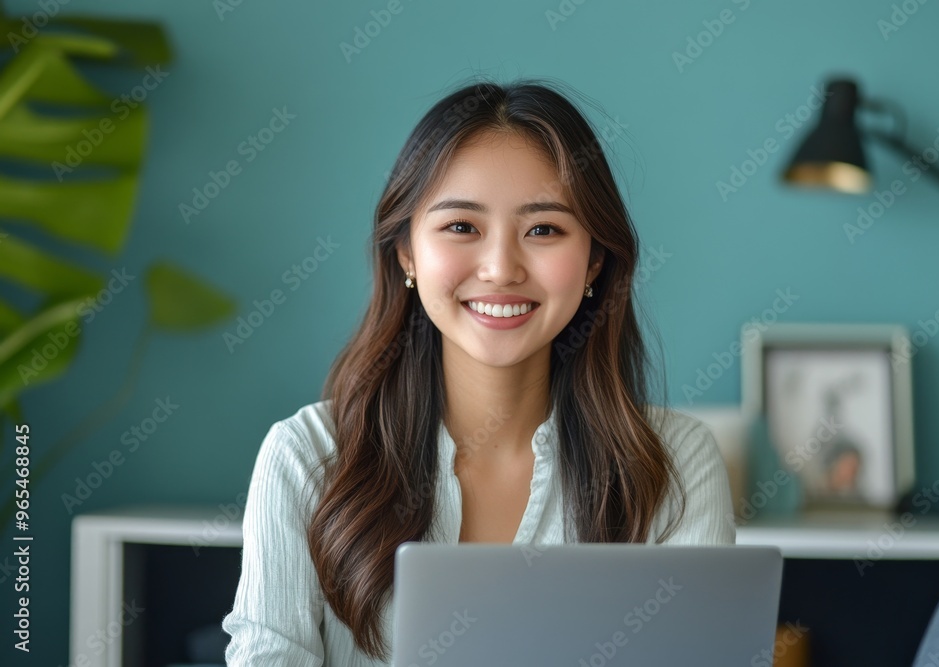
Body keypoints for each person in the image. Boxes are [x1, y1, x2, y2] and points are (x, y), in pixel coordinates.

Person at [221, 79, 736, 666]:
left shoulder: (676, 464)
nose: (500, 268)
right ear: (408, 253)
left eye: (544, 229)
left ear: (594, 259)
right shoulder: (307, 456)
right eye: (461, 227)